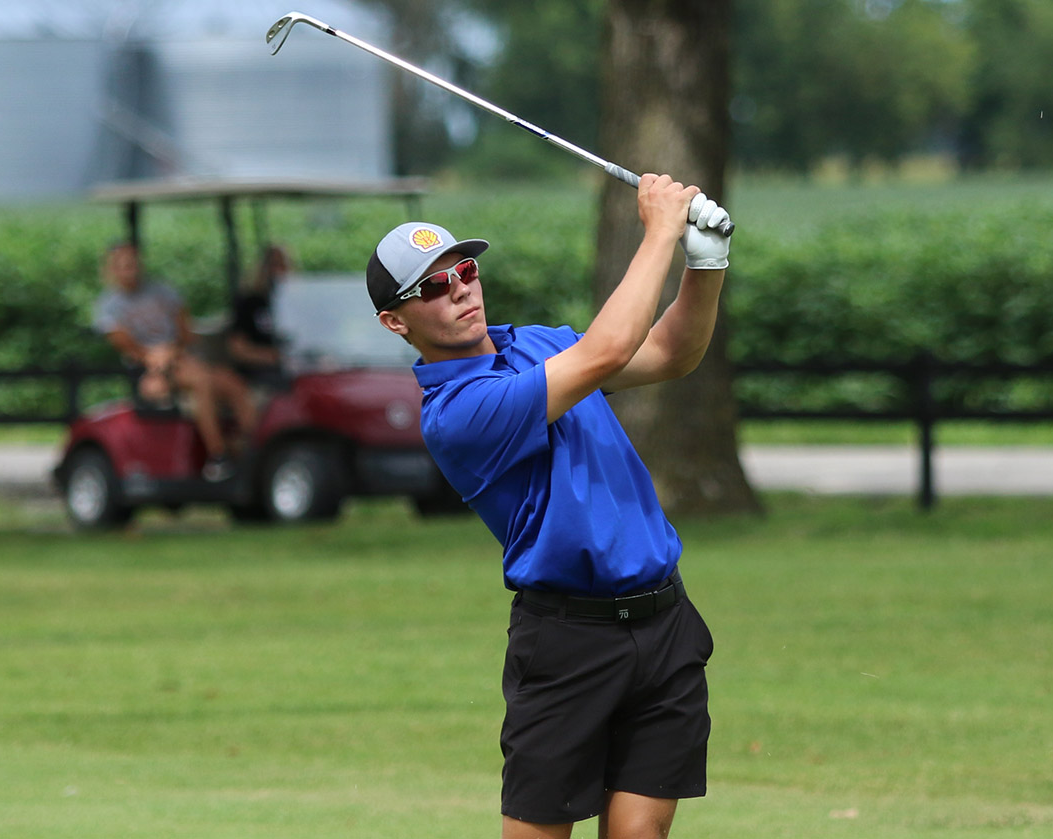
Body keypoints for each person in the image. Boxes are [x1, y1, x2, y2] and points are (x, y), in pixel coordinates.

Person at [367, 174, 731, 839]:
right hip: (568, 641)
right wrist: (658, 232)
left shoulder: (534, 343)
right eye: (432, 287)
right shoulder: (456, 413)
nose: (461, 290)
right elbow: (607, 350)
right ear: (396, 320)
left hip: (663, 620)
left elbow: (671, 352)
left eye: (465, 271)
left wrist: (704, 263)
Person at [92, 241, 258, 482]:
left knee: (232, 383)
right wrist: (155, 356)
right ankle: (219, 456)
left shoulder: (162, 291)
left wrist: (171, 350)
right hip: (148, 368)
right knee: (201, 381)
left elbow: (186, 332)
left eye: (133, 263)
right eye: (124, 265)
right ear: (112, 269)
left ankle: (252, 449)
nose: (130, 269)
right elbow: (127, 345)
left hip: (180, 357)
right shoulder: (108, 306)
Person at [228, 244, 291, 380]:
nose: (279, 271)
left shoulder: (299, 302)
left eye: (283, 265)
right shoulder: (250, 303)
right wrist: (273, 357)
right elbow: (238, 350)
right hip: (264, 371)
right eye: (273, 265)